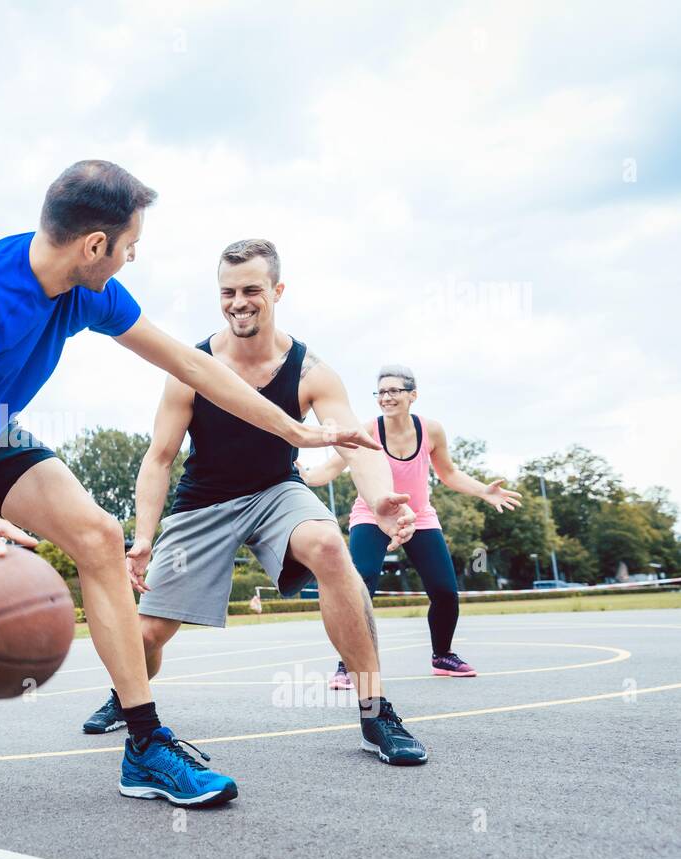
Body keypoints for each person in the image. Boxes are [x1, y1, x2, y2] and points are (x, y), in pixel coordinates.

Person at [0, 161, 383, 847]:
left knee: (97, 535)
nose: (131, 256)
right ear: (93, 245)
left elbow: (194, 365)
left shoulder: (86, 293)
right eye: (129, 244)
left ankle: (144, 743)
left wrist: (294, 429)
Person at [78, 238, 428, 767]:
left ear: (277, 291)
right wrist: (145, 535)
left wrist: (381, 499)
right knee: (148, 633)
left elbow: (355, 442)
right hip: (202, 504)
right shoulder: (191, 367)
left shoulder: (311, 371)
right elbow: (159, 457)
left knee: (330, 547)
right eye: (228, 292)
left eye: (251, 291)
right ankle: (126, 693)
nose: (238, 302)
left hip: (276, 491)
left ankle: (375, 711)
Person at [299, 364, 522, 685]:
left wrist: (484, 491)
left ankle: (443, 655)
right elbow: (332, 469)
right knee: (360, 587)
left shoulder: (431, 431)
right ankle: (348, 665)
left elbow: (449, 474)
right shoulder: (368, 430)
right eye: (381, 392)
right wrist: (305, 476)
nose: (386, 398)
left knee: (445, 591)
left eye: (394, 391)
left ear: (412, 395)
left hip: (419, 517)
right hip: (372, 516)